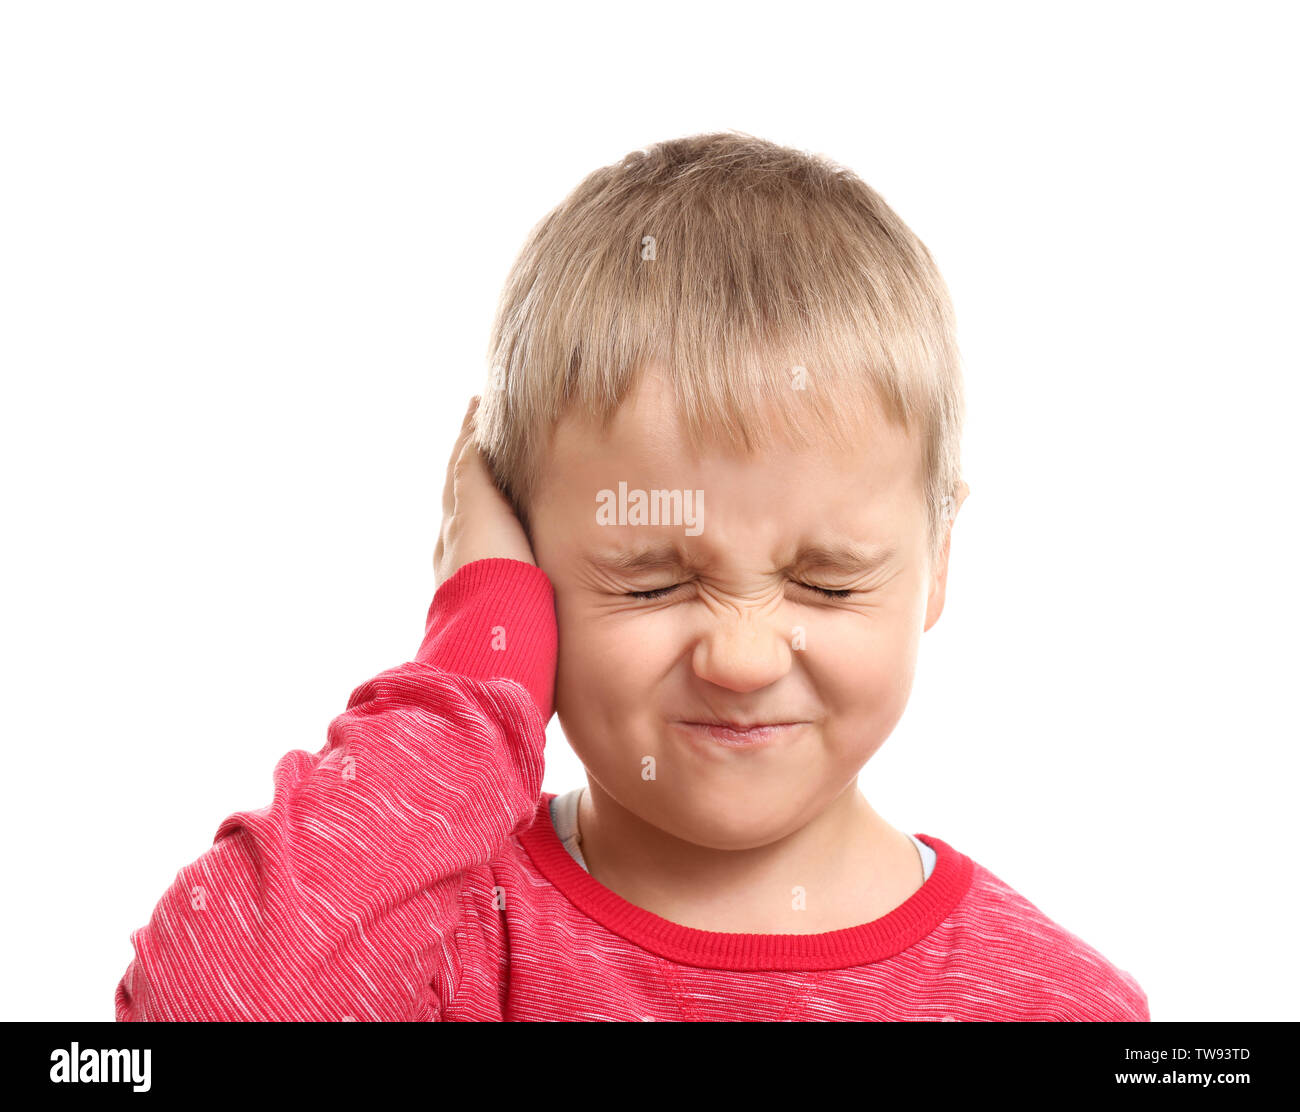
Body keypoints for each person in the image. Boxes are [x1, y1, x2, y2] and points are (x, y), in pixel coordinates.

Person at [116, 131, 1148, 1021]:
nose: (742, 658)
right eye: (652, 583)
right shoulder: (442, 942)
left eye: (828, 583)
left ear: (938, 563)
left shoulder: (1054, 1003)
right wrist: (480, 655)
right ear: (516, 556)